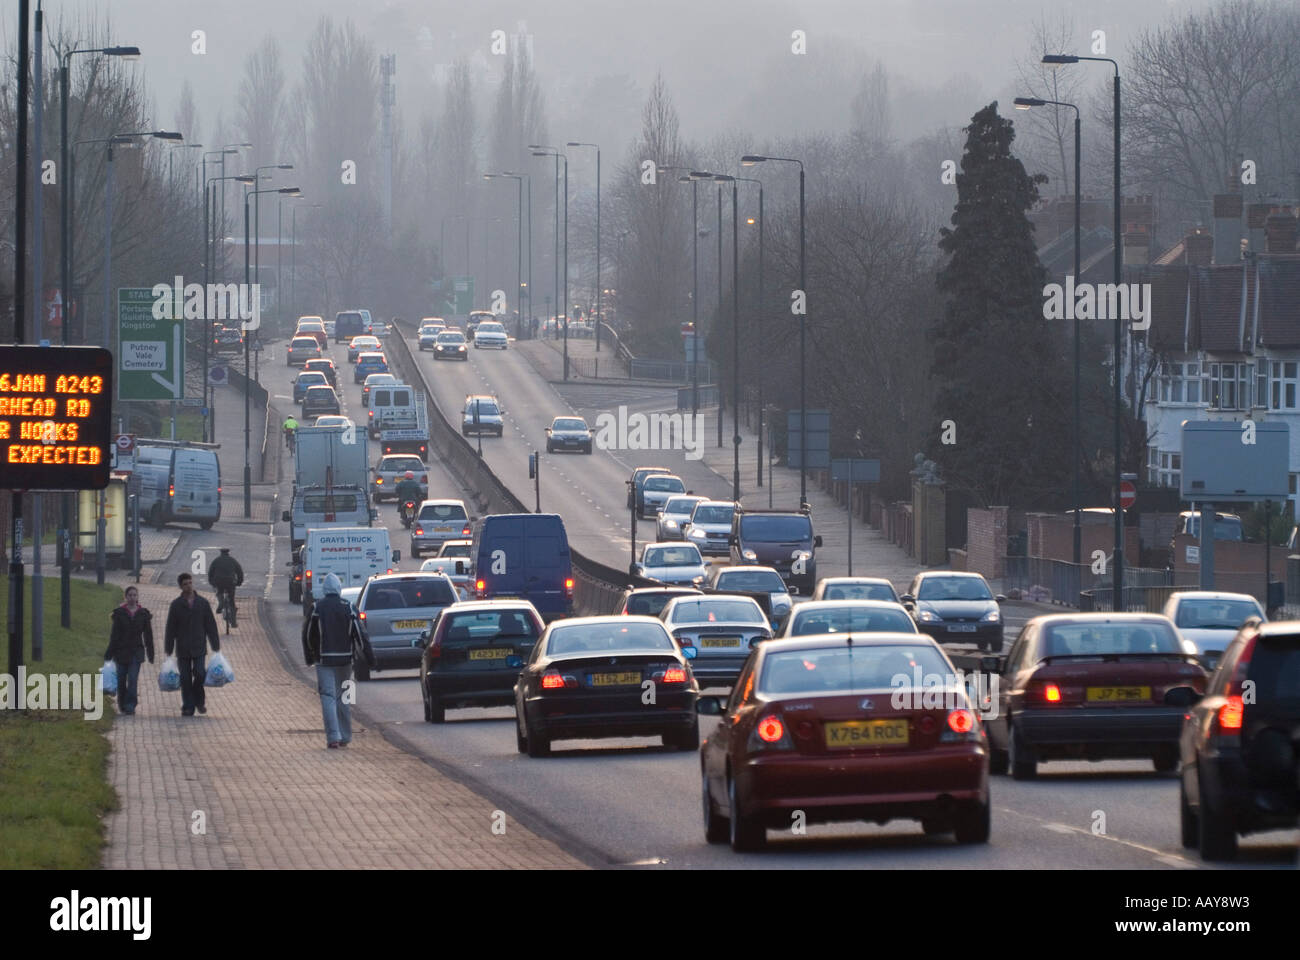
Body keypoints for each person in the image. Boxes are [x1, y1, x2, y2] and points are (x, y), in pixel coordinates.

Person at [304, 573, 374, 748]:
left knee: (328, 696)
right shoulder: (349, 607)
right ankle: (346, 735)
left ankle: (333, 737)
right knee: (345, 696)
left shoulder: (316, 608)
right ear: (338, 589)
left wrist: (309, 657)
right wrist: (369, 658)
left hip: (323, 660)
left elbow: (307, 634)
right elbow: (361, 635)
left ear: (325, 589)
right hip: (346, 660)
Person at [164, 572, 220, 717]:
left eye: (190, 583)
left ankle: (199, 701)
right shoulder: (176, 605)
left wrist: (215, 644)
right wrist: (168, 647)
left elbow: (210, 625)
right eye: (185, 584)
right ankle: (188, 706)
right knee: (185, 678)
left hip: (199, 646)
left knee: (200, 673)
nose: (188, 586)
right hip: (182, 647)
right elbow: (171, 628)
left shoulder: (202, 603)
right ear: (181, 587)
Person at [105, 585, 155, 715]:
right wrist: (109, 653)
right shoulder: (119, 613)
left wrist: (151, 653)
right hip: (121, 652)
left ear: (137, 597)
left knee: (132, 679)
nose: (132, 597)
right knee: (121, 680)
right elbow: (114, 635)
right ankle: (122, 703)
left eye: (134, 595)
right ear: (125, 597)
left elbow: (148, 635)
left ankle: (130, 705)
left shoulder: (143, 614)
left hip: (136, 652)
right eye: (130, 595)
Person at [207, 547, 244, 625]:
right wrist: (239, 582)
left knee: (218, 592)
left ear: (221, 553)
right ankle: (233, 622)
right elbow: (239, 572)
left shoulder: (216, 561)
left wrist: (211, 582)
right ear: (228, 553)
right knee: (231, 601)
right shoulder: (232, 560)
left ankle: (221, 602)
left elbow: (210, 572)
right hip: (230, 582)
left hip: (218, 581)